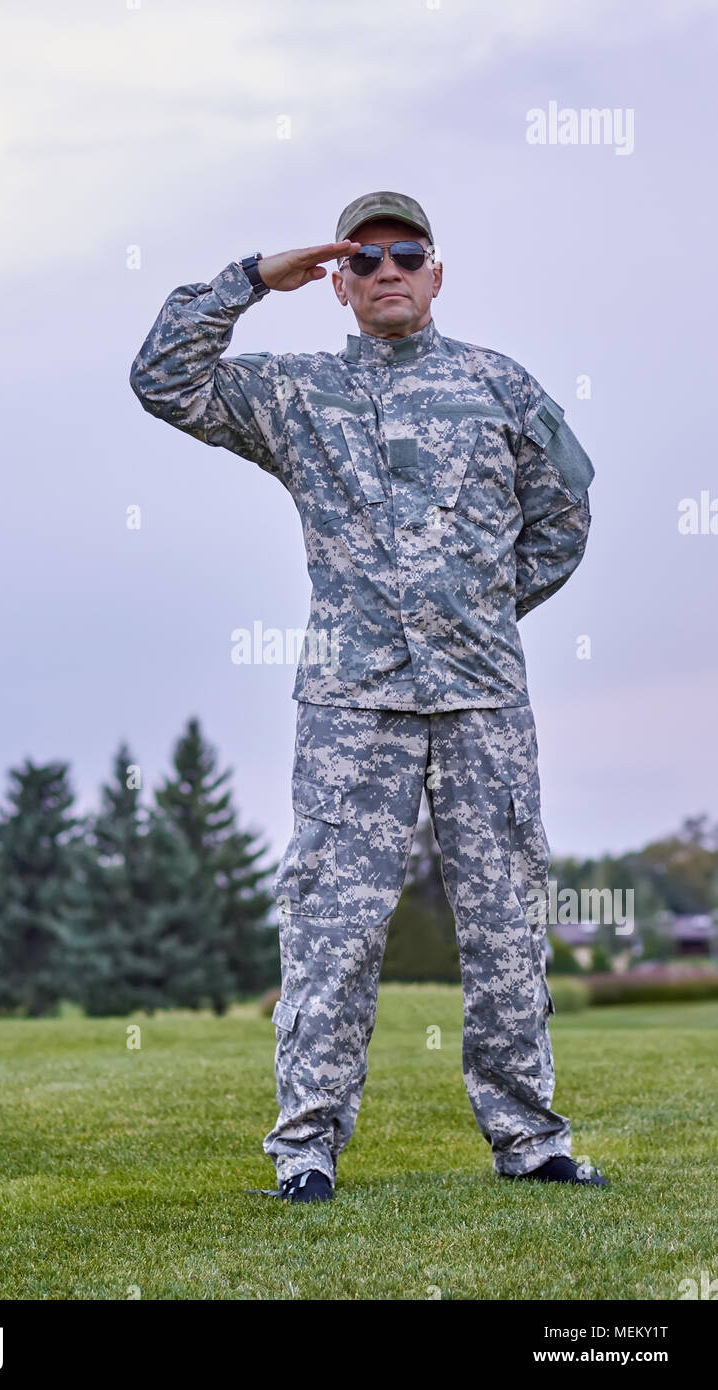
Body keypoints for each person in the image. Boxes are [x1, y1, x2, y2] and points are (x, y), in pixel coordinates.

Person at [129, 190, 608, 1203]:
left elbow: (562, 517)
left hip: (482, 702)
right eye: (366, 258)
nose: (388, 270)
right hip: (353, 706)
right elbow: (162, 379)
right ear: (338, 285)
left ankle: (528, 1140)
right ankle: (305, 1149)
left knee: (506, 924)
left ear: (436, 274)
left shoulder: (498, 386)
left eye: (406, 254)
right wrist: (253, 276)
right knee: (329, 932)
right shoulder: (297, 396)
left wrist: (471, 611)